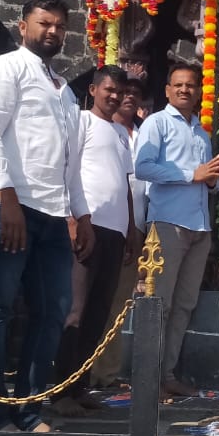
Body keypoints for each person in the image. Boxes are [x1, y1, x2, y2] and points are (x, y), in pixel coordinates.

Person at [0, 0, 95, 432]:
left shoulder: (62, 91)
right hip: (5, 204)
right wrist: (6, 199)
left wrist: (82, 214)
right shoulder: (6, 69)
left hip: (53, 212)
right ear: (23, 26)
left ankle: (28, 408)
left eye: (60, 26)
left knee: (53, 310)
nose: (53, 32)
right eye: (44, 23)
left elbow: (69, 162)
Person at [133, 62, 219, 397]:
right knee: (159, 303)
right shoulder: (157, 124)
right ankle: (146, 378)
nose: (185, 90)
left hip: (198, 225)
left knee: (185, 304)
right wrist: (193, 174)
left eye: (191, 85)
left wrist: (211, 181)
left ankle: (167, 374)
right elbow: (142, 167)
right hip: (168, 224)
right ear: (168, 90)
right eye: (179, 85)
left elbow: (204, 179)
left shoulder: (200, 134)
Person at [52, 65, 138, 416]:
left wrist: (131, 229)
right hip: (88, 227)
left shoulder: (120, 133)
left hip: (116, 232)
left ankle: (80, 385)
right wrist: (73, 219)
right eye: (108, 89)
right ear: (93, 89)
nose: (114, 96)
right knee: (75, 311)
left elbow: (126, 186)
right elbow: (66, 170)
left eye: (119, 91)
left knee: (99, 313)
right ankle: (59, 392)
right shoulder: (80, 122)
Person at [91, 77, 151, 388]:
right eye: (121, 92)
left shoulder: (142, 133)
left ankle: (106, 373)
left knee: (117, 304)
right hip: (95, 225)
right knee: (87, 302)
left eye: (133, 94)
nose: (127, 98)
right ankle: (78, 372)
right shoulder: (88, 124)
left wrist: (136, 229)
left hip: (133, 227)